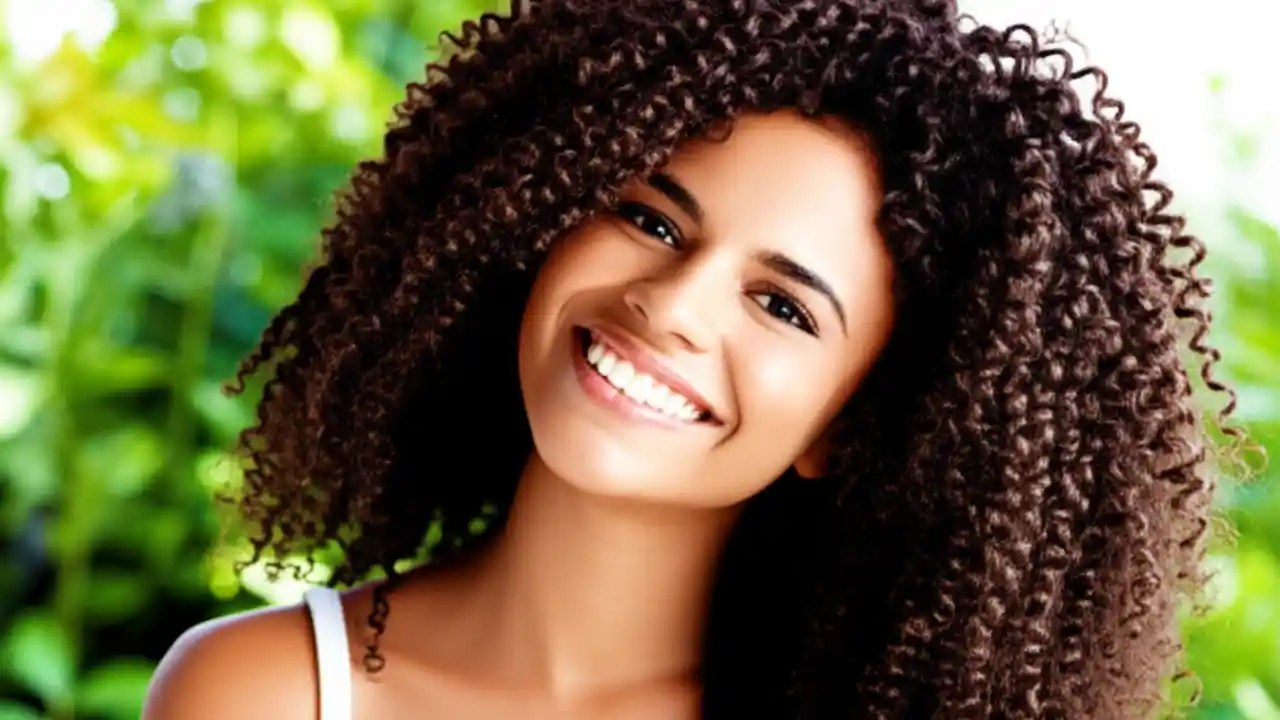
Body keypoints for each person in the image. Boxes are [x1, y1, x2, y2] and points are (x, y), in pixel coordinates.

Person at [142, 0, 1246, 717]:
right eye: (652, 221)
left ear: (848, 428)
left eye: (782, 306)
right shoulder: (260, 693)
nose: (669, 306)